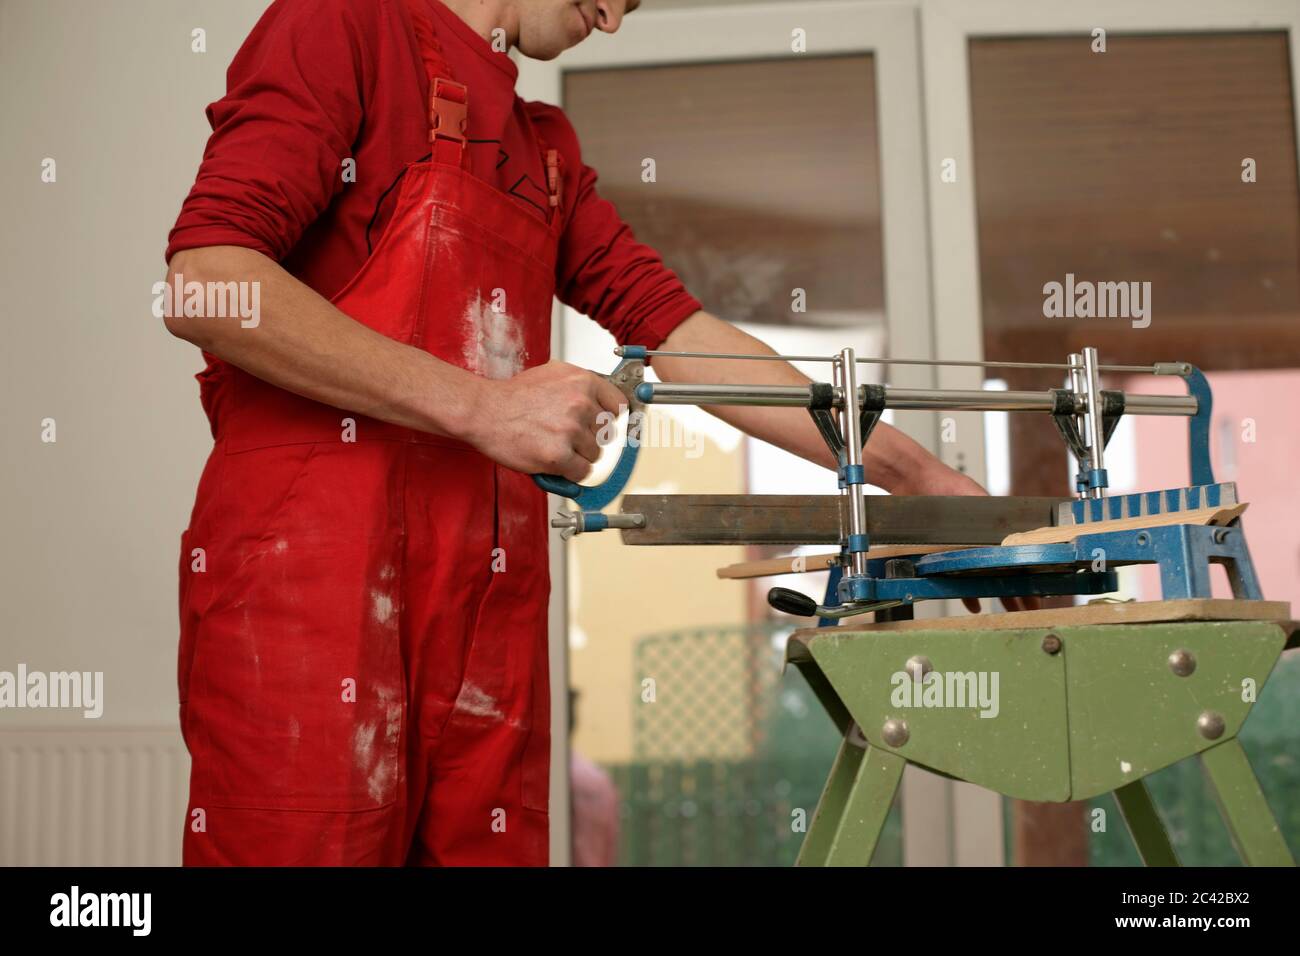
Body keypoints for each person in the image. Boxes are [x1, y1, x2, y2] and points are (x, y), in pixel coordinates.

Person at [163, 0, 994, 866]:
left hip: (483, 607)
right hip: (315, 589)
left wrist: (912, 474)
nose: (614, 16)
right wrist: (482, 408)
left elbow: (680, 337)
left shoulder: (542, 153)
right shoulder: (343, 26)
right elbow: (207, 280)